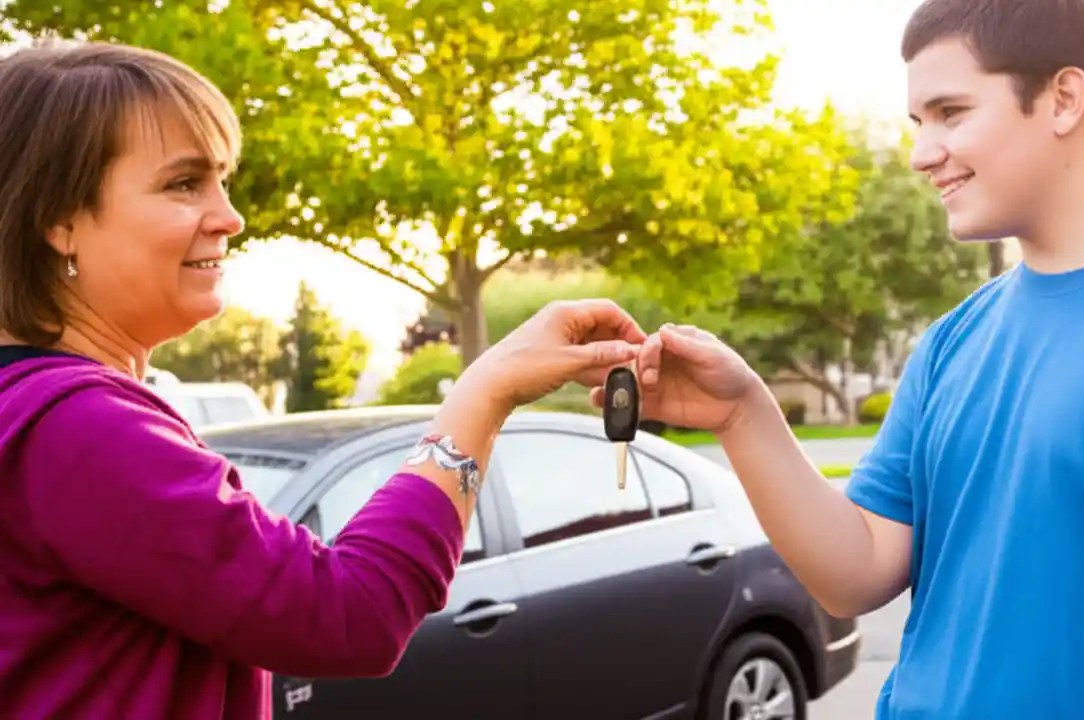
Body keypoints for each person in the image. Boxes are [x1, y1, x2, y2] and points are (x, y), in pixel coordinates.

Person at [620, 1, 1084, 718]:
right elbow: (857, 570)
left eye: (950, 112)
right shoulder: (953, 340)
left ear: (1064, 98)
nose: (921, 153)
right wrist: (741, 414)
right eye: (918, 122)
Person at [0, 40, 647, 718]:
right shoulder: (79, 429)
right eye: (183, 183)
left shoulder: (38, 413)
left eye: (223, 179)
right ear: (59, 221)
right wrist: (484, 395)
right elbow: (352, 612)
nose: (230, 216)